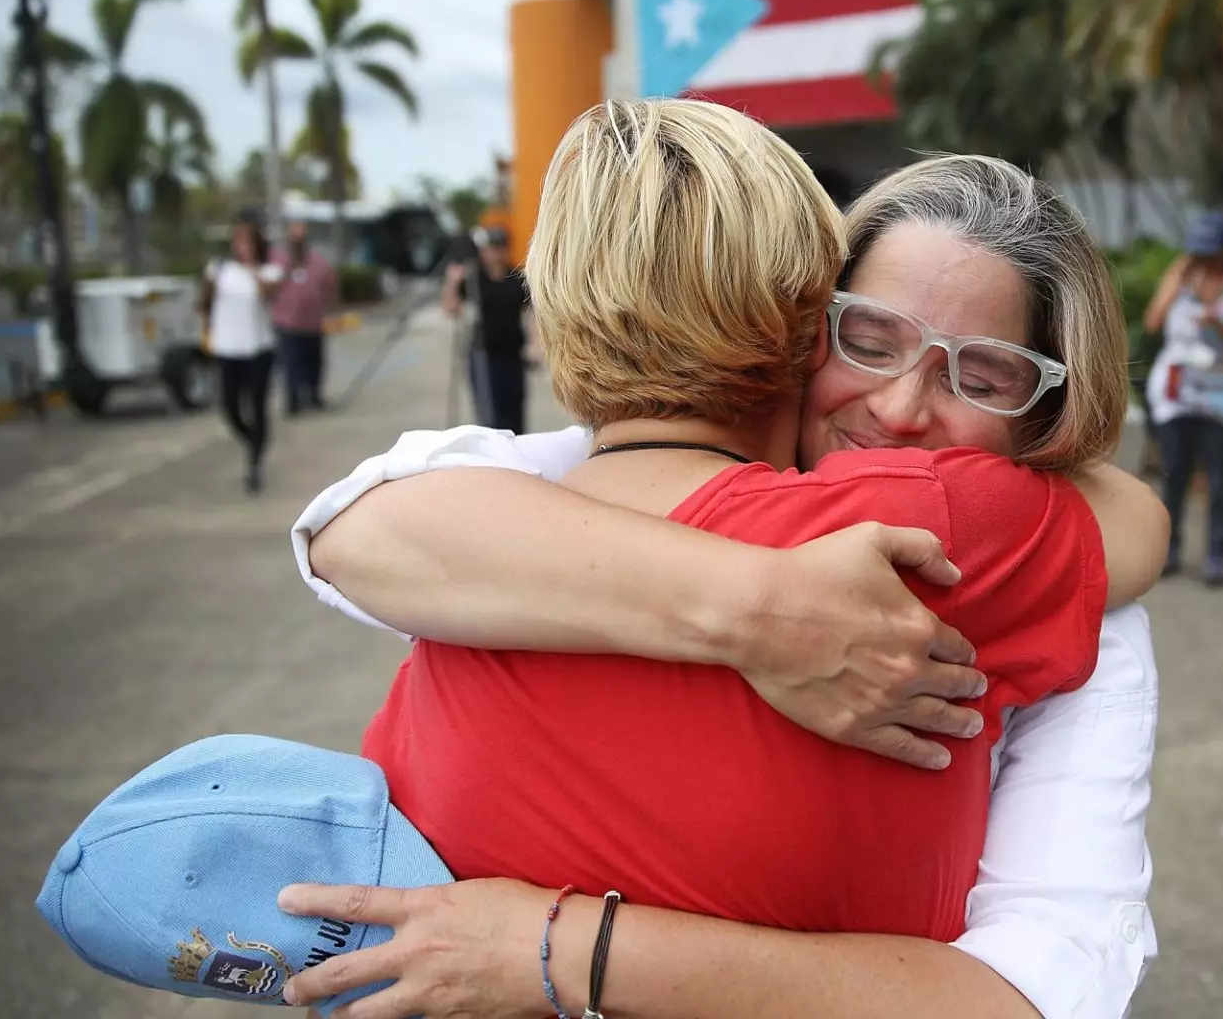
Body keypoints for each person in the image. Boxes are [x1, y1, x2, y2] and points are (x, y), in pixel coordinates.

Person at [278, 150, 1167, 1017]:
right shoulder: (525, 499)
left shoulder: (1027, 572)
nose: (900, 409)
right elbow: (360, 527)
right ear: (795, 327)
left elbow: (1051, 986)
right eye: (866, 337)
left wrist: (561, 950)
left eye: (983, 374)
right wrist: (761, 609)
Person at [1143, 211, 1223, 586]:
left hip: (1219, 397)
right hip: (1176, 394)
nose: (1205, 260)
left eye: (1211, 253)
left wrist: (1216, 322)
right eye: (1199, 252)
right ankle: (1170, 549)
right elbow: (1153, 321)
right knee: (1174, 474)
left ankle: (1217, 553)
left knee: (1220, 478)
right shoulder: (1182, 274)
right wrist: (1178, 281)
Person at [200, 216, 283, 494]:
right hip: (228, 348)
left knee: (257, 406)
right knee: (230, 407)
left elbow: (266, 295)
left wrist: (251, 267)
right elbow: (204, 302)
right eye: (238, 240)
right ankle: (252, 440)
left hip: (258, 348)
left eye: (247, 241)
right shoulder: (220, 268)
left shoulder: (268, 271)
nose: (242, 245)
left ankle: (254, 466)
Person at [442, 224, 531, 433]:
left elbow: (532, 313)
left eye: (500, 247)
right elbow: (452, 308)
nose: (495, 253)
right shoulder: (474, 280)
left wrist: (535, 347)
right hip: (483, 356)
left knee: (515, 416)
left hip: (512, 356)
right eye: (491, 248)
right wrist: (452, 282)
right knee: (491, 417)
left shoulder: (516, 279)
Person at [270, 219, 338, 415]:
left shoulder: (317, 260)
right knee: (292, 363)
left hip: (313, 322)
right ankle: (293, 401)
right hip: (287, 322)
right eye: (295, 233)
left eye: (302, 233)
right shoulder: (279, 260)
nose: (299, 237)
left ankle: (314, 396)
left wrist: (332, 306)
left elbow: (330, 284)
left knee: (315, 362)